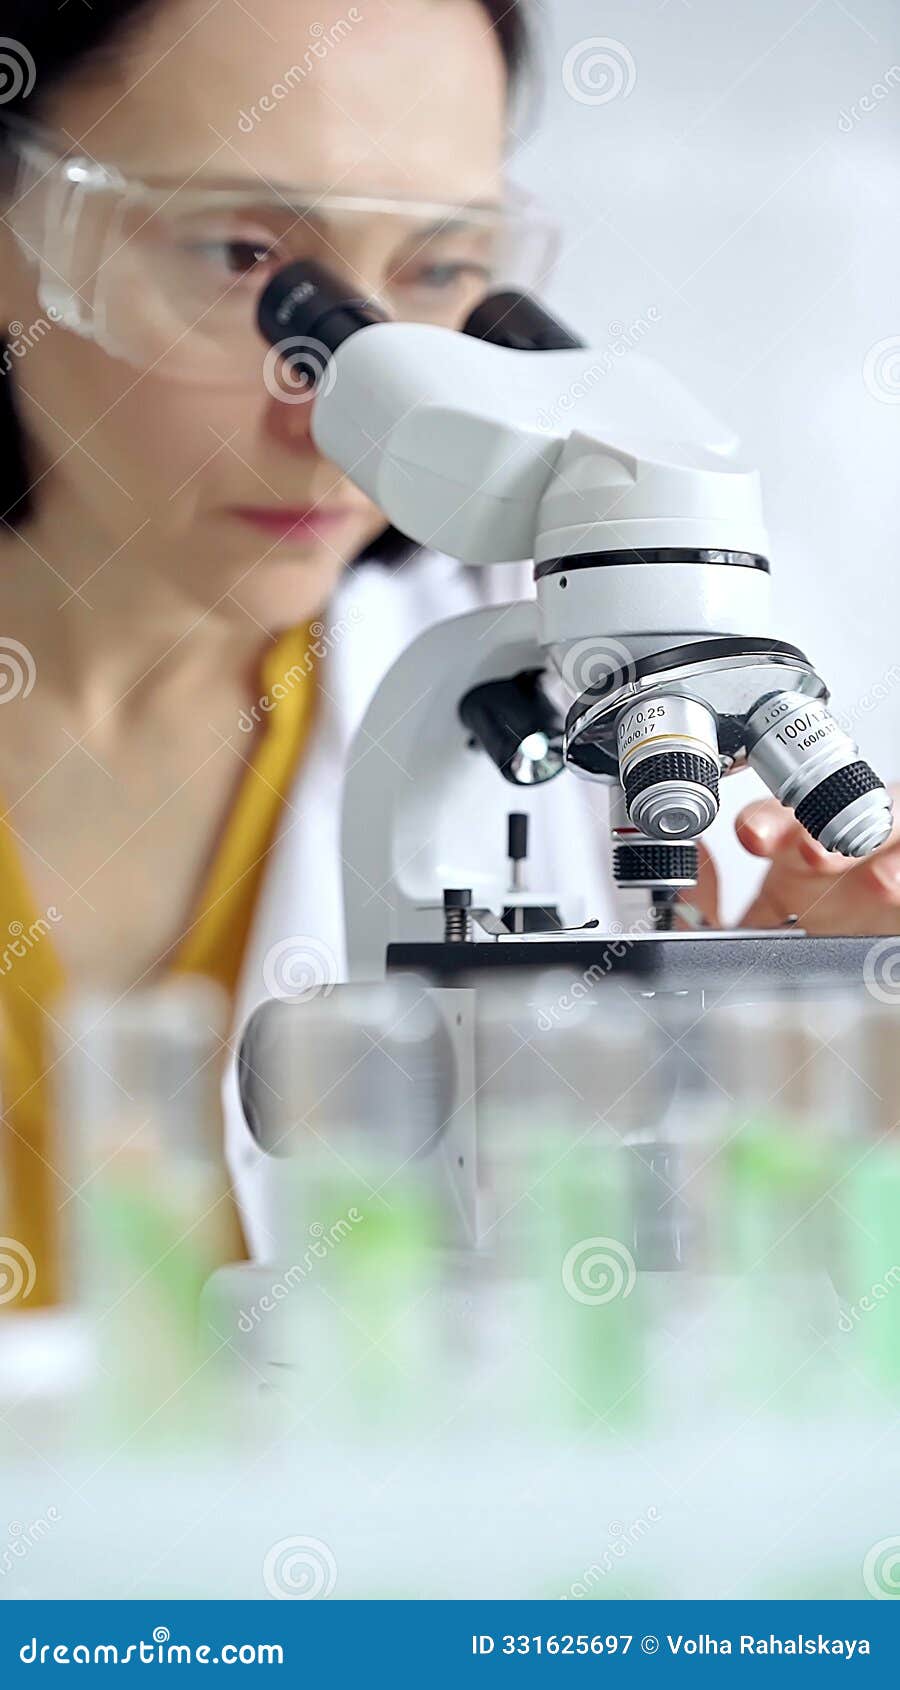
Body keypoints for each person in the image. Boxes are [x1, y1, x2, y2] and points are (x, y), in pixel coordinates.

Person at [0, 0, 895, 1303]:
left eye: (437, 273)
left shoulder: (588, 664)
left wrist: (779, 1129)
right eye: (246, 256)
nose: (335, 424)